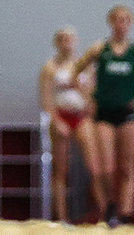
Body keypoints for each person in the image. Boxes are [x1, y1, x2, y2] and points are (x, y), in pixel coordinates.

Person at [73, 6, 134, 226]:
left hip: (128, 113)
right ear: (111, 22)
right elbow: (75, 72)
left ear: (130, 23)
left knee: (127, 166)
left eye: (125, 20)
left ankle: (126, 213)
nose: (120, 24)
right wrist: (88, 98)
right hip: (104, 112)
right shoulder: (100, 49)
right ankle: (108, 206)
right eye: (117, 20)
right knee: (106, 167)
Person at [39, 26, 94, 223]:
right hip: (61, 115)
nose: (66, 42)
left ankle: (102, 211)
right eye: (62, 39)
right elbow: (46, 99)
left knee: (93, 165)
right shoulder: (50, 67)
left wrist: (77, 86)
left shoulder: (85, 66)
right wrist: (56, 120)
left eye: (69, 38)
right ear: (56, 43)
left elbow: (91, 96)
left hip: (80, 116)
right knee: (60, 169)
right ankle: (61, 218)